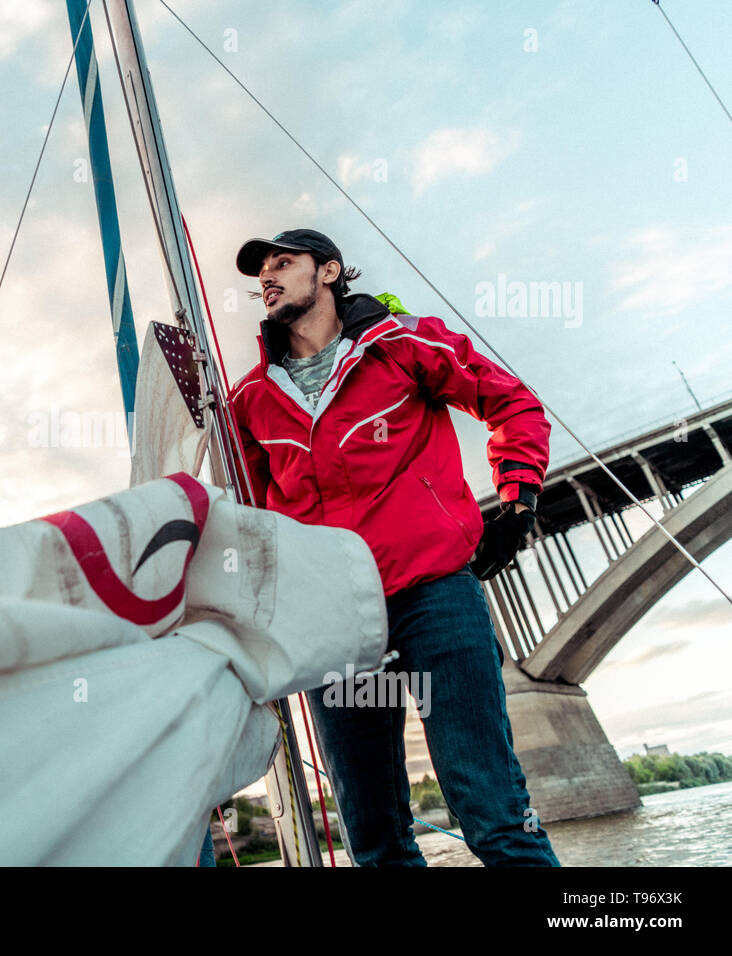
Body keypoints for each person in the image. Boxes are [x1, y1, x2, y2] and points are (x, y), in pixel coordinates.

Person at [227, 228, 559, 866]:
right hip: (335, 623)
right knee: (374, 833)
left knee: (490, 808)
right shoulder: (250, 399)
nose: (267, 279)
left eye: (282, 263)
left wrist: (517, 501)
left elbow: (513, 404)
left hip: (434, 596)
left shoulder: (404, 343)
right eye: (261, 273)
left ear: (328, 272)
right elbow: (253, 516)